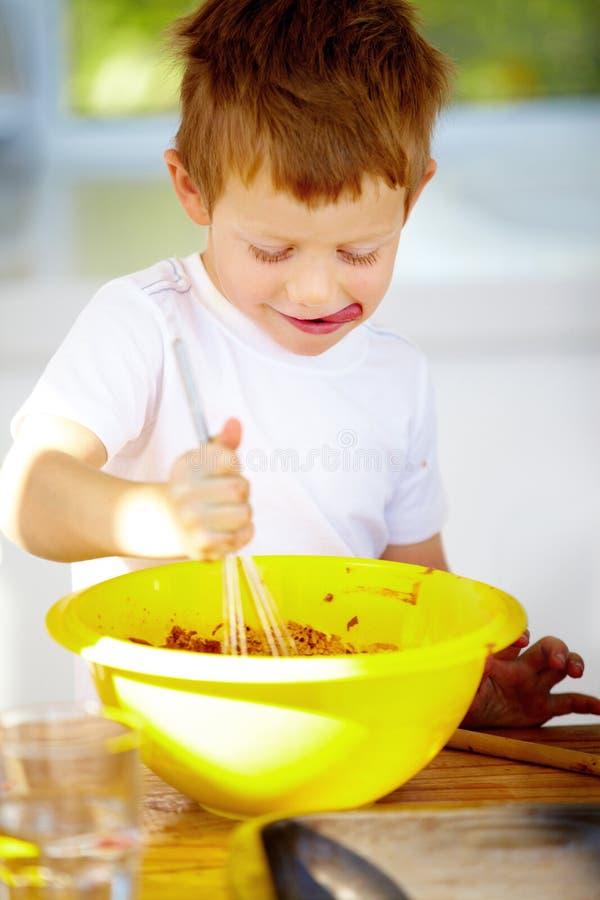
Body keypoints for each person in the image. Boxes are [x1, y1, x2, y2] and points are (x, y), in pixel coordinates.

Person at [0, 0, 598, 728]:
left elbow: (417, 591)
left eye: (359, 252)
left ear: (413, 196)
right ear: (193, 189)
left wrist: (472, 689)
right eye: (272, 250)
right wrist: (158, 515)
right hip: (157, 751)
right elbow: (28, 495)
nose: (316, 290)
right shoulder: (146, 323)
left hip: (346, 744)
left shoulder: (396, 377)